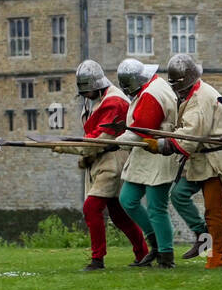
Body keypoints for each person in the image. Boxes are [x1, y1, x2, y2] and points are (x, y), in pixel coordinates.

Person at [53, 60, 150, 271]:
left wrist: (63, 147)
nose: (86, 96)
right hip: (101, 161)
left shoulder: (114, 102)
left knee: (91, 208)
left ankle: (98, 259)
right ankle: (143, 253)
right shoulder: (97, 99)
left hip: (113, 160)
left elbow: (98, 141)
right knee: (119, 214)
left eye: (88, 91)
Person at [151, 54, 222, 269]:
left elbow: (191, 135)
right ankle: (203, 235)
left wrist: (163, 145)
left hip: (215, 158)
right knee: (179, 195)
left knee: (214, 211)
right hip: (200, 158)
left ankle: (216, 257)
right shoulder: (191, 95)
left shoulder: (201, 98)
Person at [114, 58, 180, 269]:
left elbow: (141, 131)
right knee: (128, 199)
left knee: (156, 207)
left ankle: (166, 255)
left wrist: (115, 143)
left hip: (158, 153)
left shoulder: (152, 94)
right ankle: (155, 244)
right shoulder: (150, 87)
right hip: (144, 154)